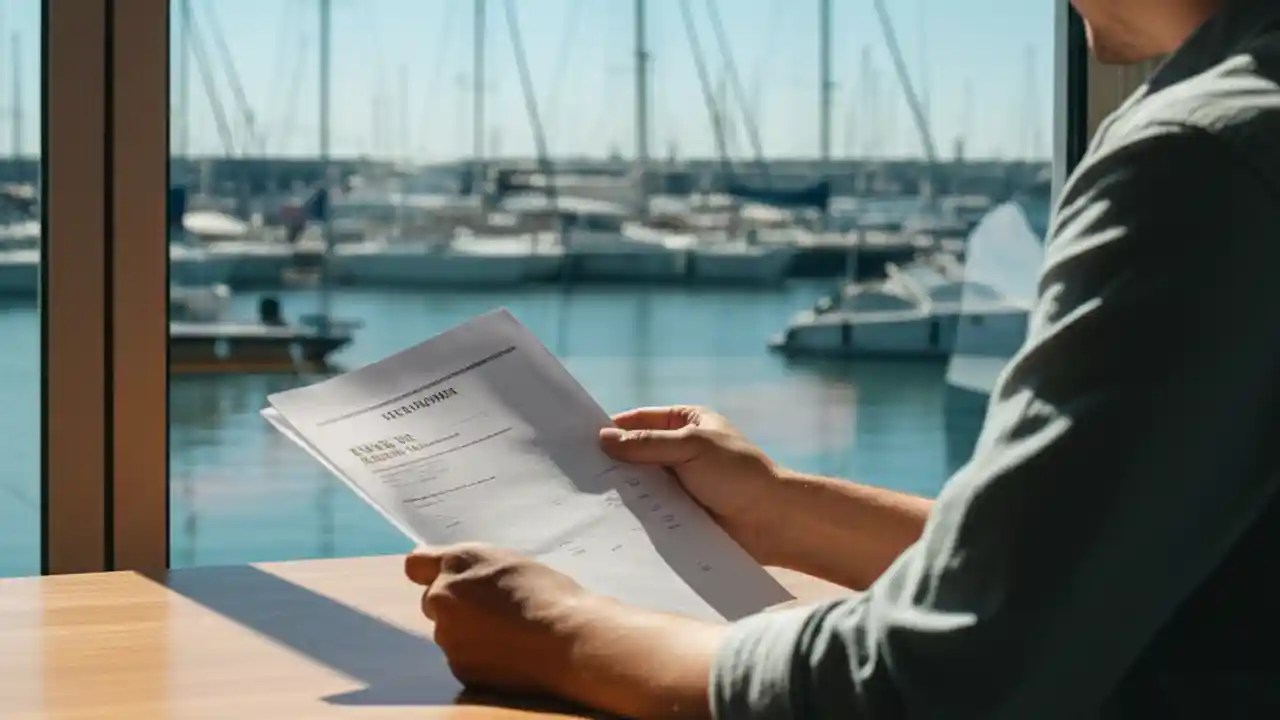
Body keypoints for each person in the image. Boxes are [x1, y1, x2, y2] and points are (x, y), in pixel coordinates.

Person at [404, 0, 1280, 716]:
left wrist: (559, 634)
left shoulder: (1206, 158)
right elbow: (1112, 575)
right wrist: (781, 509)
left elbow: (942, 686)